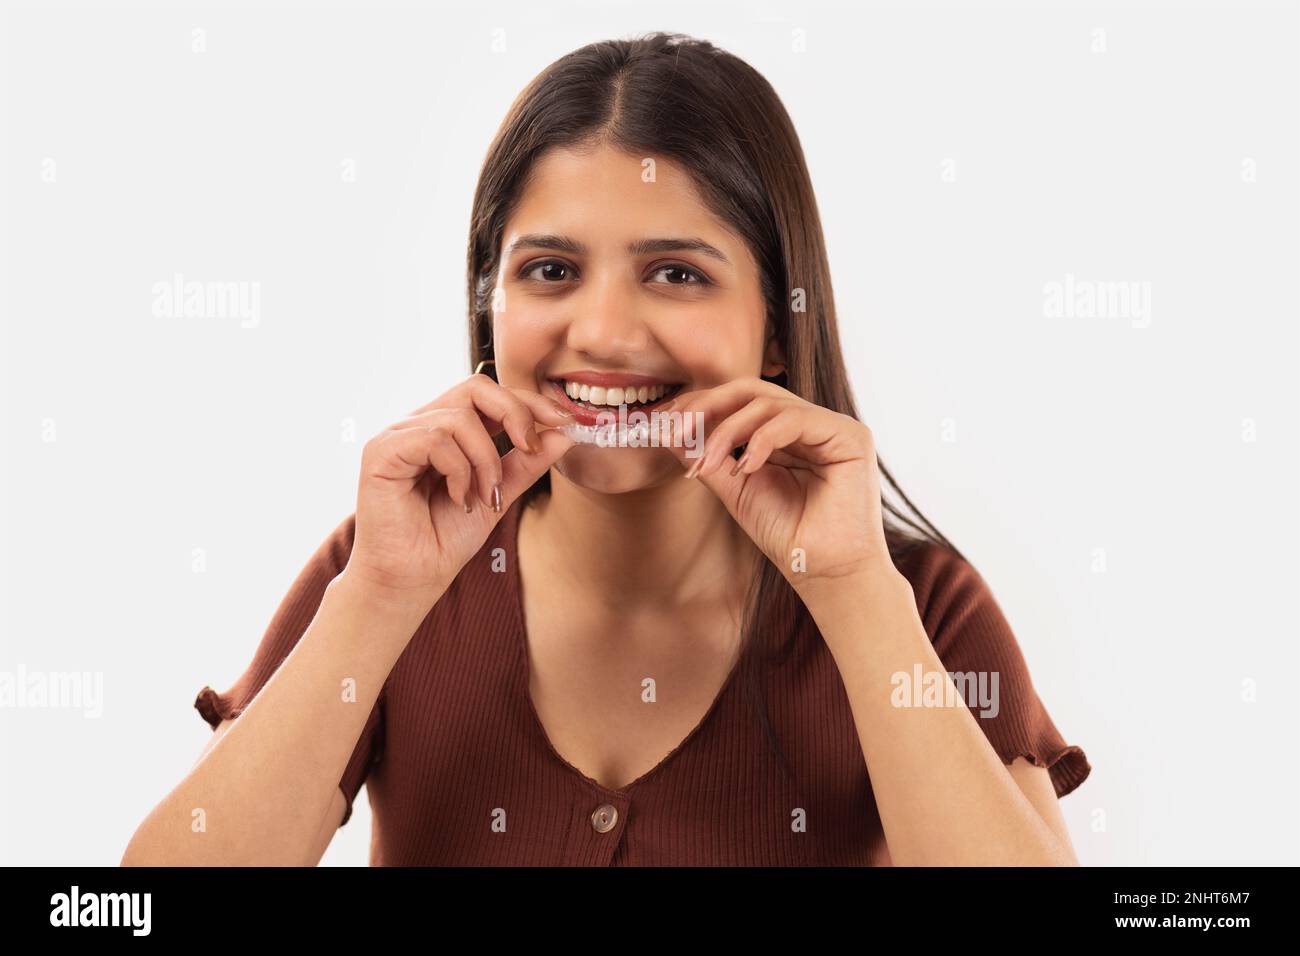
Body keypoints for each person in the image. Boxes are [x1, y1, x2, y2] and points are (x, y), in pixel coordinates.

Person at [122, 32, 1089, 867]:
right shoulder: (387, 568)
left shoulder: (917, 603)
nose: (604, 332)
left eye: (675, 273)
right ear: (491, 306)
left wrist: (852, 592)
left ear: (780, 327)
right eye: (551, 270)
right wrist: (377, 599)